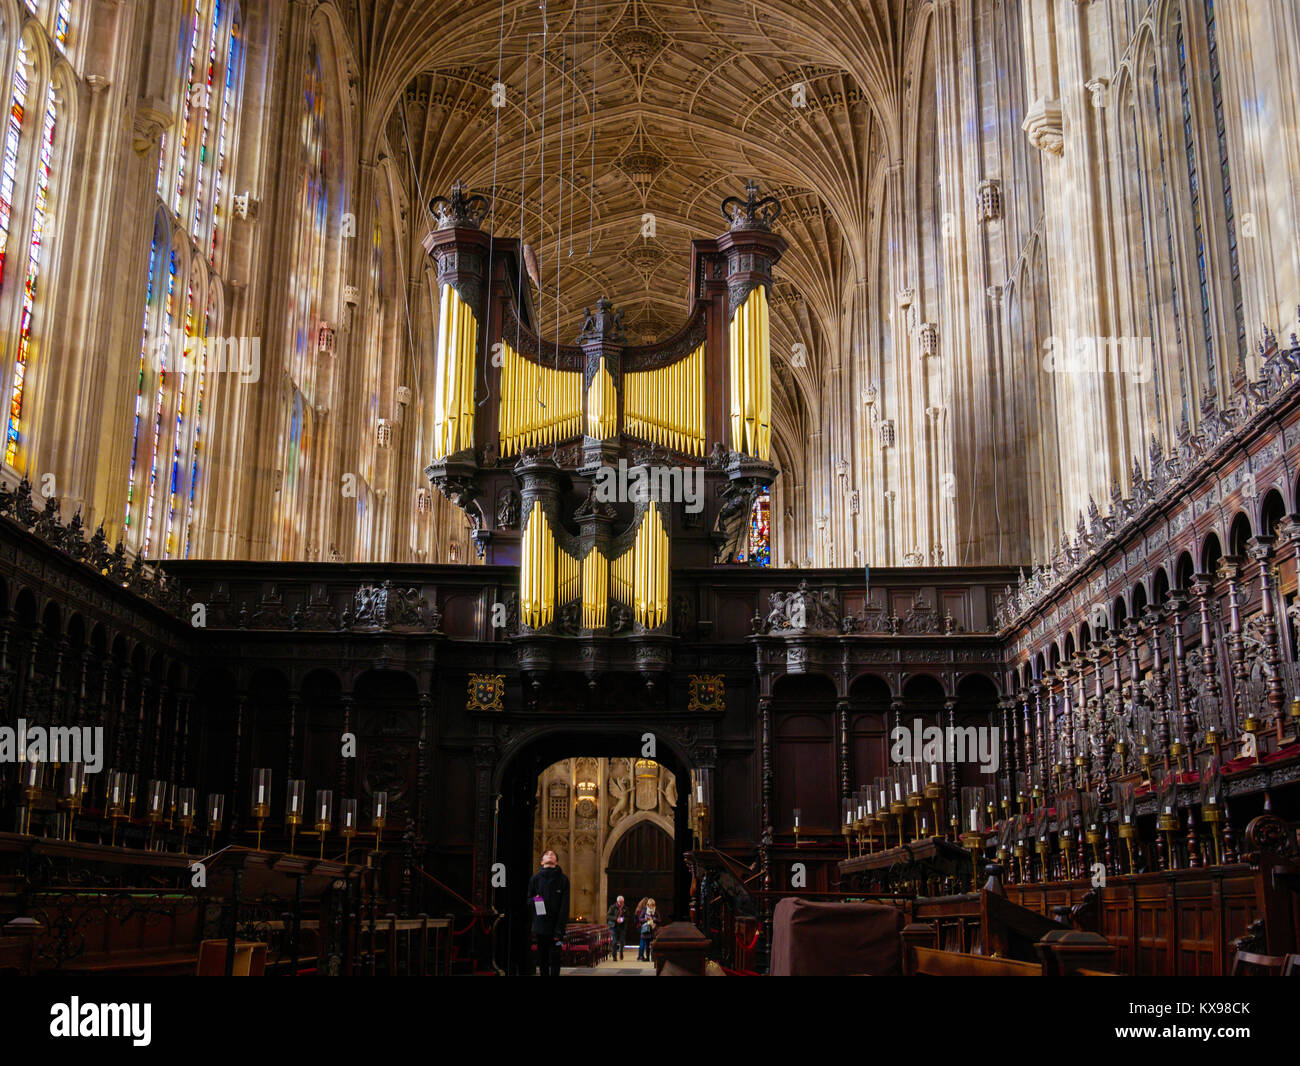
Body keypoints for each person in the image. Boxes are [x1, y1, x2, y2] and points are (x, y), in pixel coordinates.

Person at [526, 849, 569, 976]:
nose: (550, 855)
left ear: (556, 862)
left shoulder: (563, 880)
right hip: (541, 925)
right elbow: (528, 899)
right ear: (541, 861)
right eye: (546, 854)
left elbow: (565, 906)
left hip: (557, 926)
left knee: (556, 958)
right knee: (543, 959)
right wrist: (536, 899)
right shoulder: (535, 879)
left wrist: (560, 928)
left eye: (553, 854)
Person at [635, 897, 660, 962]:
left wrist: (654, 919)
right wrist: (646, 919)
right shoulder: (644, 910)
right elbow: (640, 919)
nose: (651, 906)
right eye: (650, 905)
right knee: (646, 944)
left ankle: (653, 957)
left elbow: (659, 920)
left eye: (652, 905)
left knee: (653, 944)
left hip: (653, 930)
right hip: (646, 930)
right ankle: (647, 957)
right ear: (648, 905)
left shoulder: (656, 911)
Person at [606, 894, 629, 961]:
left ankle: (621, 953)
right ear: (617, 901)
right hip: (614, 926)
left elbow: (628, 917)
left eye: (623, 902)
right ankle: (614, 956)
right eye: (620, 902)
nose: (622, 903)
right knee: (614, 941)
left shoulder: (625, 908)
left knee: (622, 941)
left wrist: (623, 919)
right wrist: (616, 919)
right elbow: (608, 916)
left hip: (622, 926)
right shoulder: (612, 907)